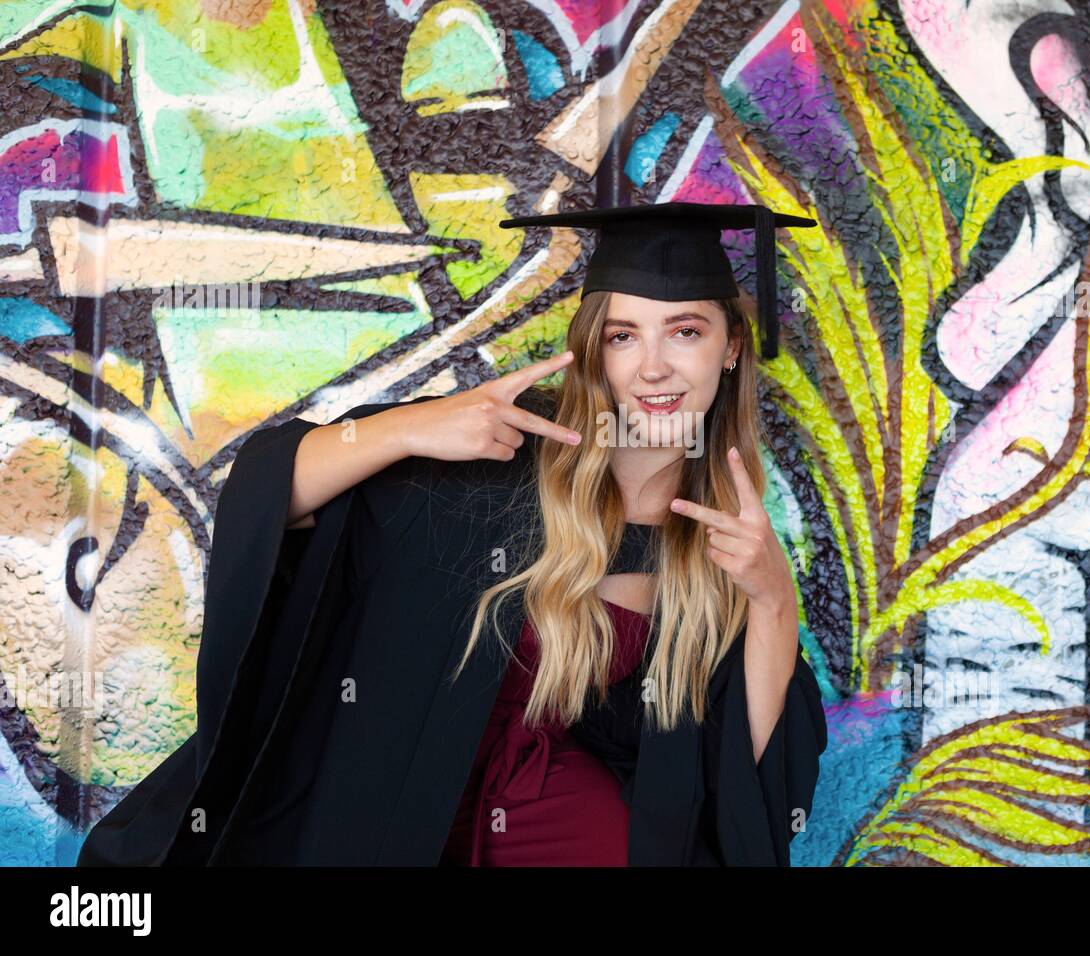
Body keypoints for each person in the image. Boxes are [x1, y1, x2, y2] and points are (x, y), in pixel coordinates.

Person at [76, 202, 828, 867]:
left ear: (731, 347)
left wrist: (771, 598)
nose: (654, 367)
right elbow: (274, 500)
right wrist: (406, 429)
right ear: (595, 349)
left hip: (547, 805)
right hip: (381, 797)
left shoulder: (715, 540)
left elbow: (743, 770)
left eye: (687, 331)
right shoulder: (493, 461)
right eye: (624, 335)